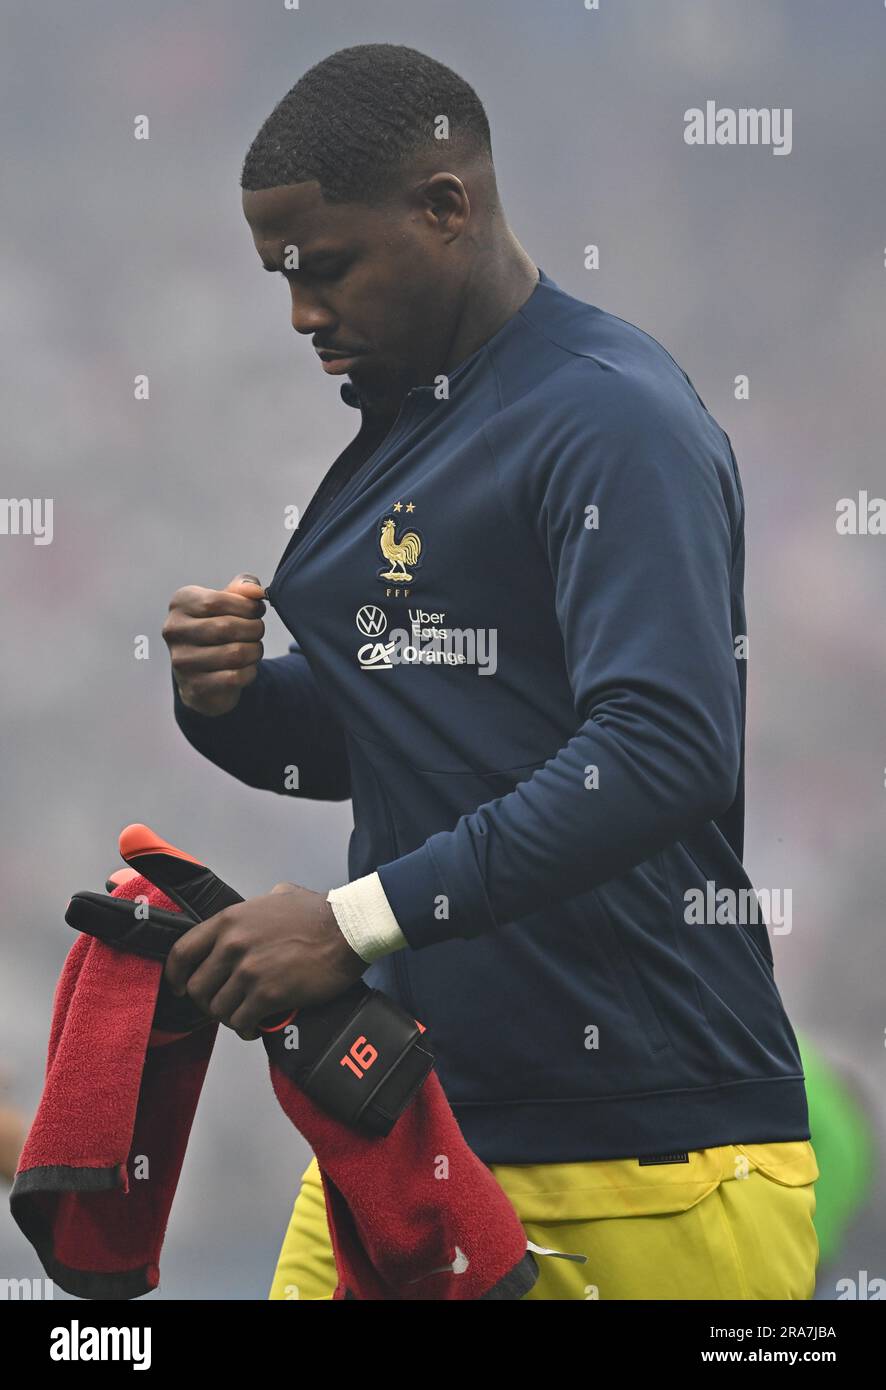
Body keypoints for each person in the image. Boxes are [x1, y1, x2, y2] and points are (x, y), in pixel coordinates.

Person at [163, 43, 819, 1300]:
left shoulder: (610, 417)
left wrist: (351, 921)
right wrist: (233, 700)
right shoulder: (413, 424)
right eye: (281, 279)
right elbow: (409, 737)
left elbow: (663, 746)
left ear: (445, 207)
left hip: (640, 1152)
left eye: (327, 267)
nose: (302, 312)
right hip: (402, 1119)